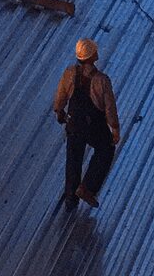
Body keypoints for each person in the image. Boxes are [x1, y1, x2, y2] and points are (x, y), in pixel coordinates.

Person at [53, 38, 121, 208]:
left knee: (73, 159)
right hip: (93, 127)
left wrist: (60, 112)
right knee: (106, 150)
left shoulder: (69, 73)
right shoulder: (102, 81)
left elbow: (61, 96)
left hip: (74, 123)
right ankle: (87, 188)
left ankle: (70, 199)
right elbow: (109, 108)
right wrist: (115, 129)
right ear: (92, 57)